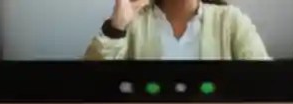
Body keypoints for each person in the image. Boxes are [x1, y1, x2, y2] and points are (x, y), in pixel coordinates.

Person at [85, 0, 271, 61]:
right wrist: (116, 28)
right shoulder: (134, 22)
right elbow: (90, 83)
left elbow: (266, 84)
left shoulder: (231, 20)